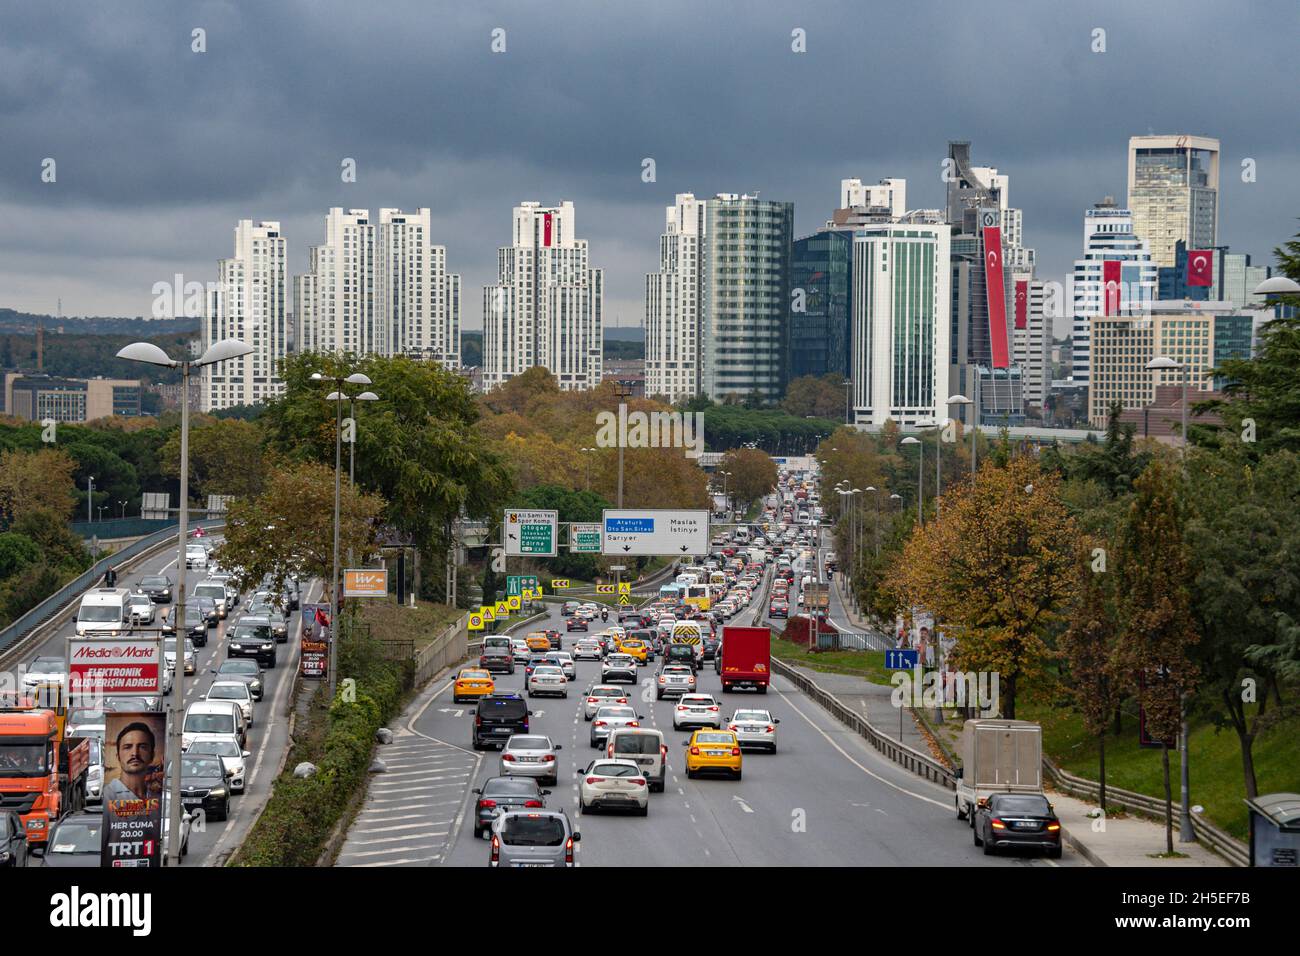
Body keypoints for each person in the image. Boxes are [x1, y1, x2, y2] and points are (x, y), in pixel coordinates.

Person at [102, 722, 161, 805]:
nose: (135, 753)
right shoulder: (109, 795)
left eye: (142, 747)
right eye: (127, 747)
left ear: (152, 755)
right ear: (118, 756)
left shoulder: (158, 798)